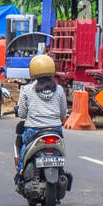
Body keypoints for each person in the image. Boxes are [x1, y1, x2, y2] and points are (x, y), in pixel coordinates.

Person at [14, 54, 67, 187]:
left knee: (23, 147)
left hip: (34, 130)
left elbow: (22, 114)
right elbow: (63, 113)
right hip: (55, 130)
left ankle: (21, 171)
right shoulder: (59, 90)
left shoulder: (26, 90)